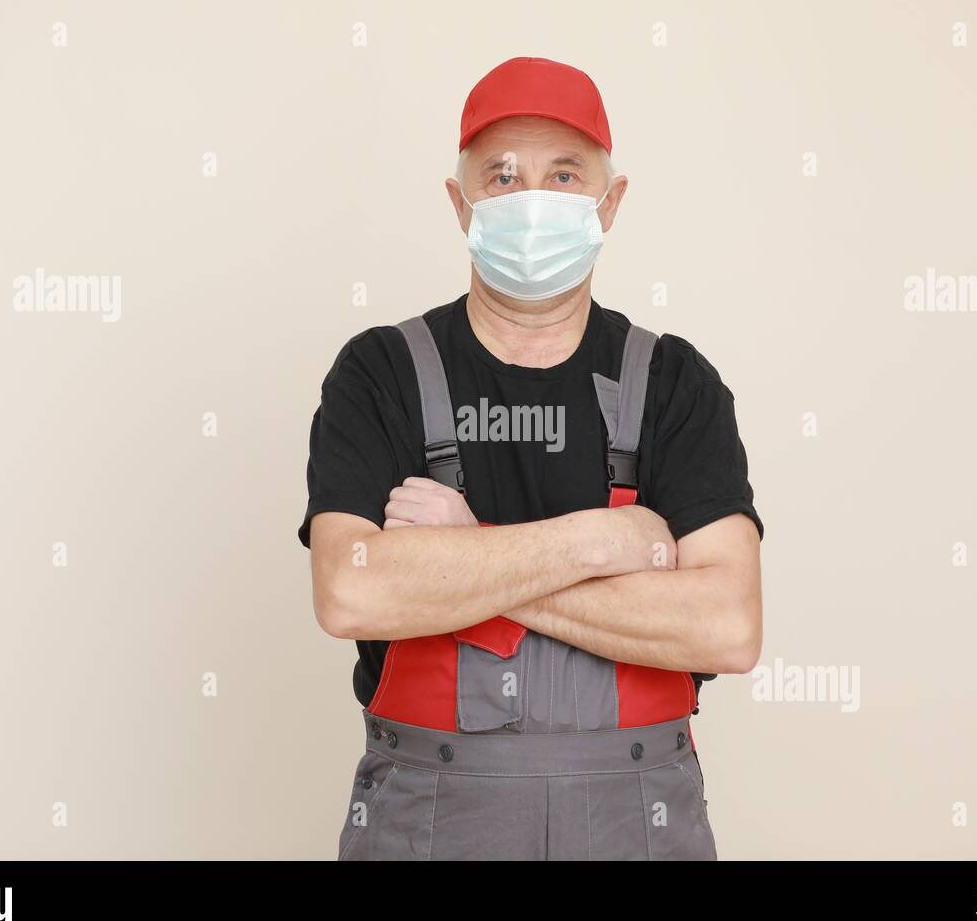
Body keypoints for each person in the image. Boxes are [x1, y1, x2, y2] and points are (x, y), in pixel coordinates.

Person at [299, 56, 763, 860]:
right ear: (462, 202)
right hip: (428, 817)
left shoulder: (674, 382)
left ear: (609, 203)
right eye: (504, 176)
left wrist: (463, 549)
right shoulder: (380, 372)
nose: (533, 200)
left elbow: (726, 627)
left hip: (637, 817)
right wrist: (602, 543)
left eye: (565, 174)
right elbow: (352, 592)